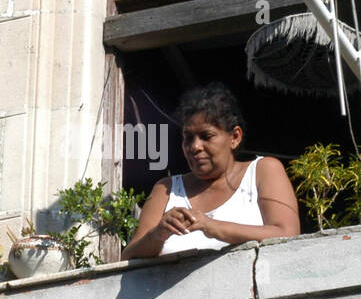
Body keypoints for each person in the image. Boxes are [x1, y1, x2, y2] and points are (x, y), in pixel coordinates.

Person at [122, 83, 301, 260]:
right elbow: (128, 257)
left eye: (206, 136)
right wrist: (158, 234)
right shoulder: (166, 189)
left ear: (235, 137)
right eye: (188, 138)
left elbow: (287, 233)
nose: (195, 147)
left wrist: (211, 226)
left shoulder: (262, 171)